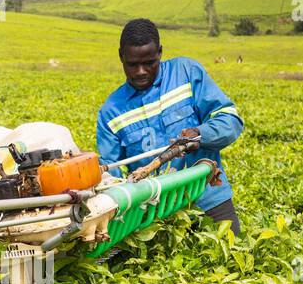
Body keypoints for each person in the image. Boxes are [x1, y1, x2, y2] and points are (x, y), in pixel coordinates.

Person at [95, 18, 245, 235]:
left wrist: (200, 135)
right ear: (121, 57)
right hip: (155, 218)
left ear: (160, 53)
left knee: (231, 258)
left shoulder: (186, 72)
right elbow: (112, 173)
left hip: (209, 200)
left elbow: (229, 119)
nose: (141, 72)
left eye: (149, 62)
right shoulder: (111, 111)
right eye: (132, 64)